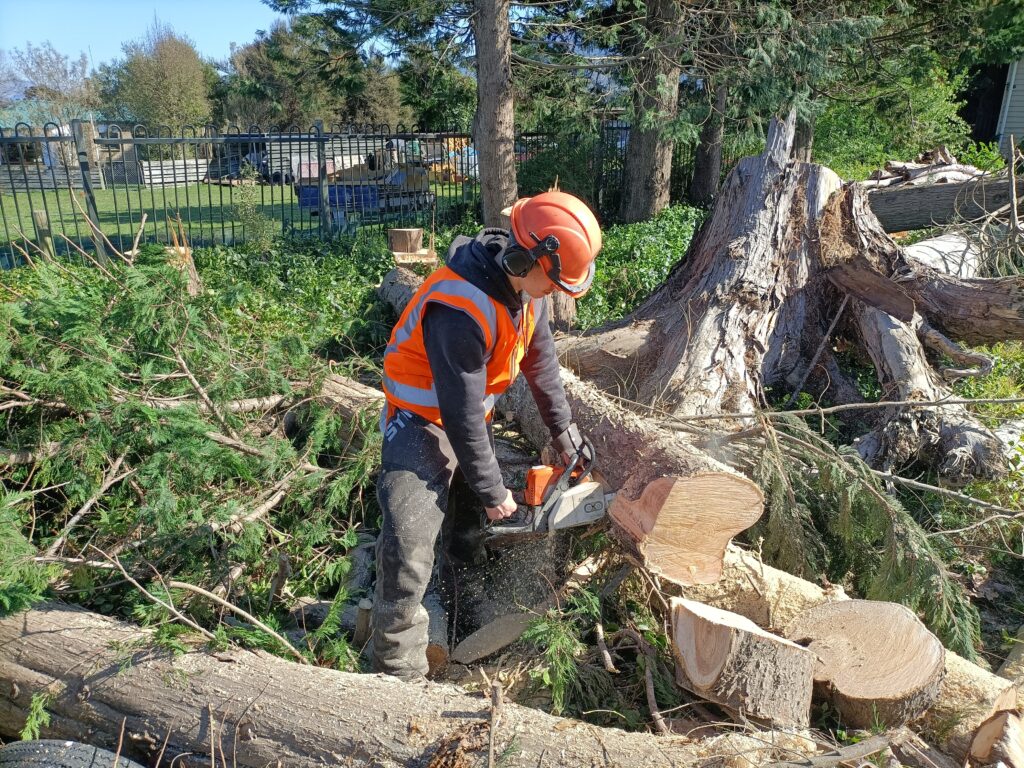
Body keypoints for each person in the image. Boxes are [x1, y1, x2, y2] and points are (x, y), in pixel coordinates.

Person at [373, 190, 602, 679]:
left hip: (469, 421)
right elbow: (457, 413)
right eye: (554, 281)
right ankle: (396, 674)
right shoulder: (459, 309)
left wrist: (563, 431)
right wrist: (494, 489)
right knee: (410, 545)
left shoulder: (523, 290)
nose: (556, 293)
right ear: (526, 258)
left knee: (465, 530)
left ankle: (461, 615)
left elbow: (541, 364)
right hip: (416, 423)